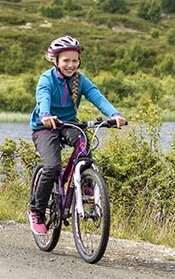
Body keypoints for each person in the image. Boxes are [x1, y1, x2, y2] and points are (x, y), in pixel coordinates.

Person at [27, 35, 126, 235]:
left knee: (83, 143)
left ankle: (85, 183)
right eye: (66, 60)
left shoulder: (80, 80)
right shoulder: (46, 78)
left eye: (74, 60)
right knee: (52, 166)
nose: (71, 65)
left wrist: (114, 114)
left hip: (68, 124)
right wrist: (45, 115)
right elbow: (43, 97)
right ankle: (37, 211)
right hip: (44, 127)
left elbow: (97, 96)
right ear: (55, 60)